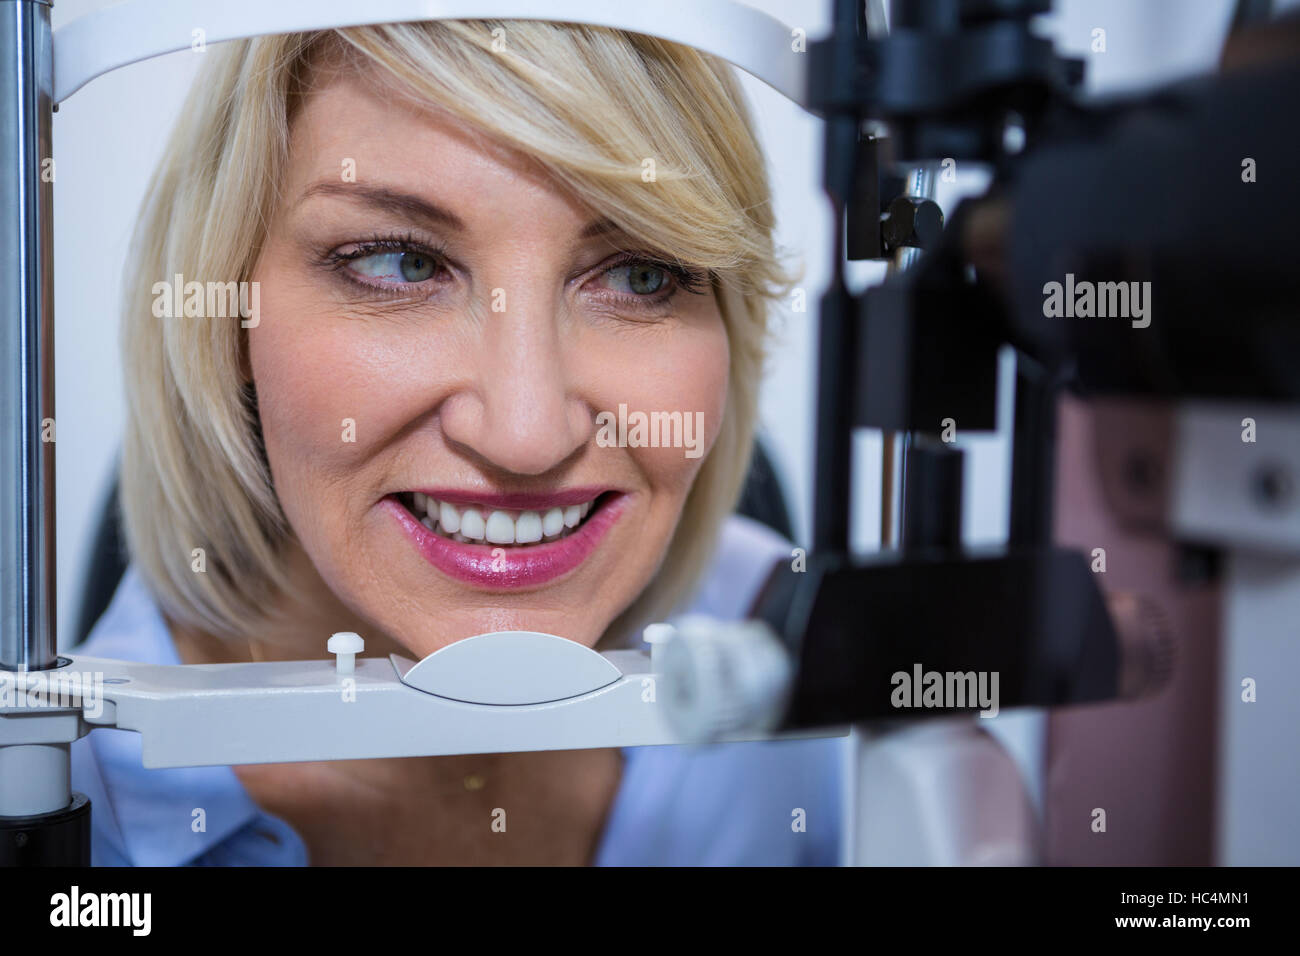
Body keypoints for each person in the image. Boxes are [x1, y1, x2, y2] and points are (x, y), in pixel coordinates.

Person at [72, 19, 843, 866]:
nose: (525, 434)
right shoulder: (74, 810)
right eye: (400, 263)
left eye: (638, 274)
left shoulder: (801, 682)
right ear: (226, 321)